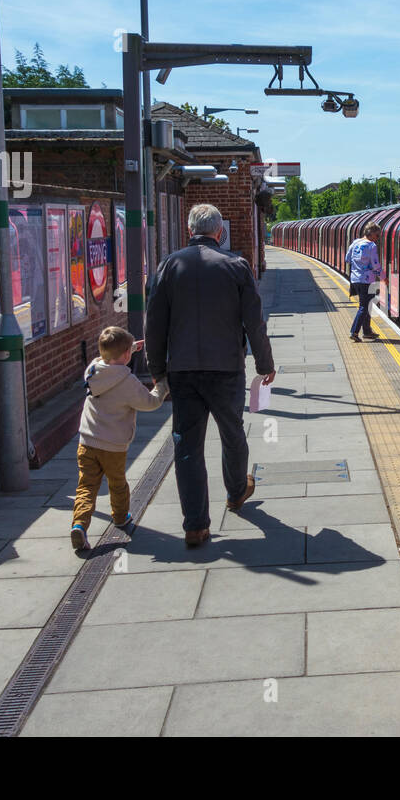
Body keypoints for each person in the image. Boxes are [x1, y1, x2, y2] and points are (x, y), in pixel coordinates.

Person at [146, 203, 276, 547]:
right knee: (232, 432)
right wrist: (265, 364)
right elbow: (254, 321)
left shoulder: (169, 266)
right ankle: (235, 493)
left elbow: (154, 323)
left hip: (183, 371)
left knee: (186, 446)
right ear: (220, 232)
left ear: (190, 230)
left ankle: (195, 526)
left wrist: (157, 370)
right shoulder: (236, 265)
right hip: (226, 369)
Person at [71, 326, 169, 551]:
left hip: (86, 442)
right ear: (126, 355)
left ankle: (79, 524)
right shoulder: (127, 381)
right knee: (117, 484)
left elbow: (107, 358)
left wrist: (130, 348)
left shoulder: (92, 371)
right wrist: (162, 386)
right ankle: (120, 517)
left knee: (86, 485)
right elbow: (150, 403)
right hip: (113, 446)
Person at [345, 222, 383, 343]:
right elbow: (376, 265)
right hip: (367, 280)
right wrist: (384, 277)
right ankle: (354, 332)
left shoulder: (355, 243)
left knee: (367, 305)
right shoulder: (371, 246)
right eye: (377, 235)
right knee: (364, 307)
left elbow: (347, 259)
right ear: (371, 233)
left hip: (355, 279)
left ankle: (367, 331)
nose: (378, 238)